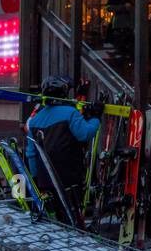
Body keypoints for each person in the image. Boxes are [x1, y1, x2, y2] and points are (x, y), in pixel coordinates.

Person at [25, 76, 101, 220]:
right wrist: (95, 118)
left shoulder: (34, 121)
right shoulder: (70, 113)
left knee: (54, 213)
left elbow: (31, 154)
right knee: (72, 213)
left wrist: (36, 177)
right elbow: (85, 134)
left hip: (45, 178)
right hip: (69, 174)